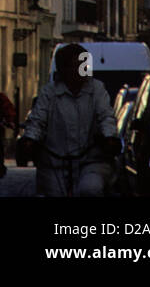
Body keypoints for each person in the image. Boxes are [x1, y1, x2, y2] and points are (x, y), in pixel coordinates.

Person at [18, 44, 120, 198]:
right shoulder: (49, 92)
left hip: (90, 160)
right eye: (76, 65)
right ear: (64, 69)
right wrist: (30, 139)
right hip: (55, 163)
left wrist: (109, 137)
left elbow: (105, 115)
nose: (82, 70)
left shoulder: (97, 90)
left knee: (90, 190)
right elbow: (37, 119)